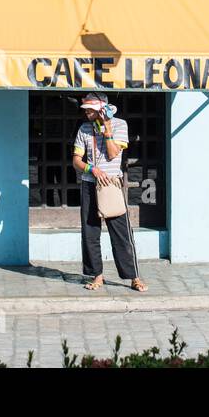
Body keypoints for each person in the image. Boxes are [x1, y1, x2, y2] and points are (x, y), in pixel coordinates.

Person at [71, 92, 147, 292]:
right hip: (89, 184)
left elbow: (113, 153)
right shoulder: (84, 128)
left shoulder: (120, 125)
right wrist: (92, 169)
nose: (87, 112)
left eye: (90, 109)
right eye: (85, 109)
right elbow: (76, 160)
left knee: (121, 233)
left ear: (101, 109)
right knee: (90, 232)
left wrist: (107, 129)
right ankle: (97, 275)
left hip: (111, 185)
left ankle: (133, 277)